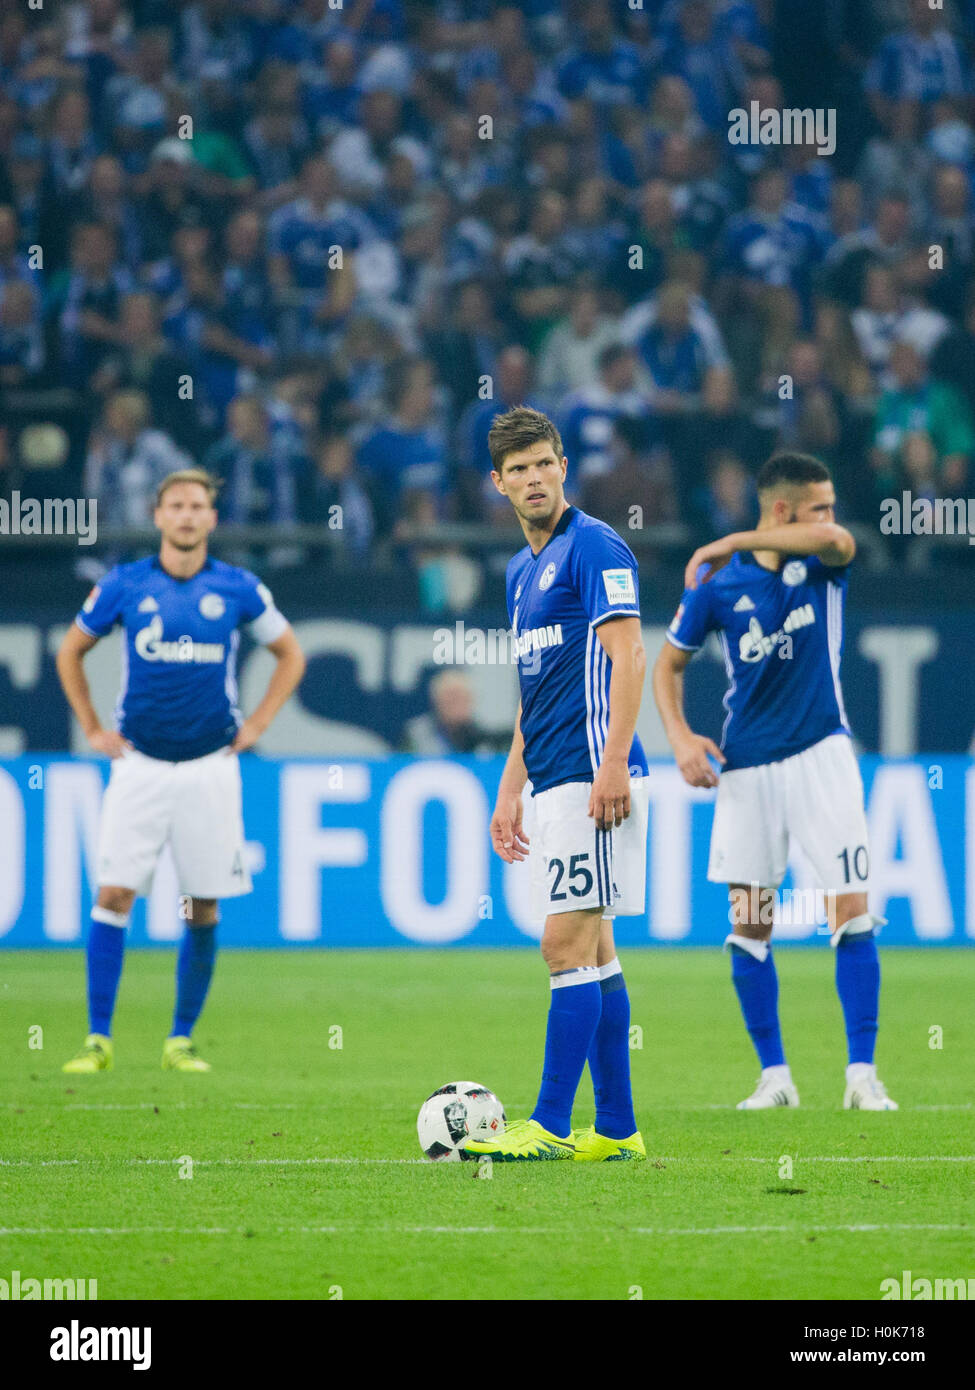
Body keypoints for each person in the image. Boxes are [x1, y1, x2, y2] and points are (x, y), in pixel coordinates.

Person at [652, 451, 898, 1112]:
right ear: (783, 509)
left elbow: (837, 541)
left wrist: (734, 537)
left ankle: (860, 1075)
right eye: (819, 505)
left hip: (822, 755)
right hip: (748, 769)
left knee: (850, 911)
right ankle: (774, 1077)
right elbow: (666, 666)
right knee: (750, 922)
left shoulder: (820, 565)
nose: (831, 519)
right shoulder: (716, 587)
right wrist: (678, 737)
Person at [56, 469, 306, 1074]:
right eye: (177, 506)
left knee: (202, 906)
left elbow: (290, 653)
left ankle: (180, 1040)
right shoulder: (125, 584)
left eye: (198, 506)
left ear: (212, 519)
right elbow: (71, 650)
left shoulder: (239, 587)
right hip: (139, 763)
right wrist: (93, 728)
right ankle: (98, 1039)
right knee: (114, 894)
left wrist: (259, 723)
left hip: (210, 765)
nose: (188, 515)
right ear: (158, 515)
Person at [463, 406, 649, 1162]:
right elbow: (532, 692)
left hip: (591, 775)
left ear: (563, 465)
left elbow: (630, 657)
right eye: (519, 469)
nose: (534, 478)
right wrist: (511, 786)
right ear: (498, 483)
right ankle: (616, 1130)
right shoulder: (519, 571)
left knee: (561, 945)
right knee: (595, 951)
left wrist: (611, 765)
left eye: (544, 462)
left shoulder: (593, 544)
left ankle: (546, 1123)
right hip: (553, 778)